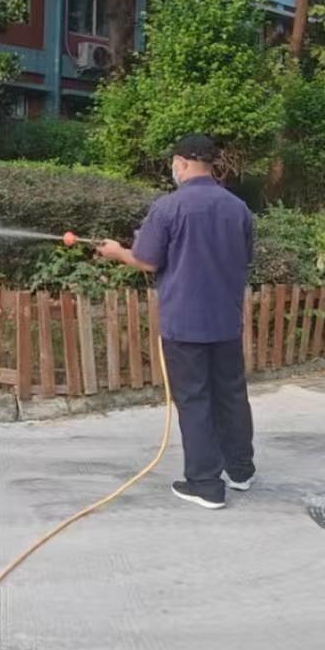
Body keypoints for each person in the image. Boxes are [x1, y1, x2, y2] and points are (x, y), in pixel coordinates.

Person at [96, 133, 256, 509]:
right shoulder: (238, 209)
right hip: (226, 320)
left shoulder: (169, 207)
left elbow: (147, 260)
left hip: (185, 323)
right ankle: (241, 471)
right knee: (232, 395)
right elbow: (244, 258)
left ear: (181, 163)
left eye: (174, 165)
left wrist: (118, 252)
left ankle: (205, 484)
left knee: (194, 399)